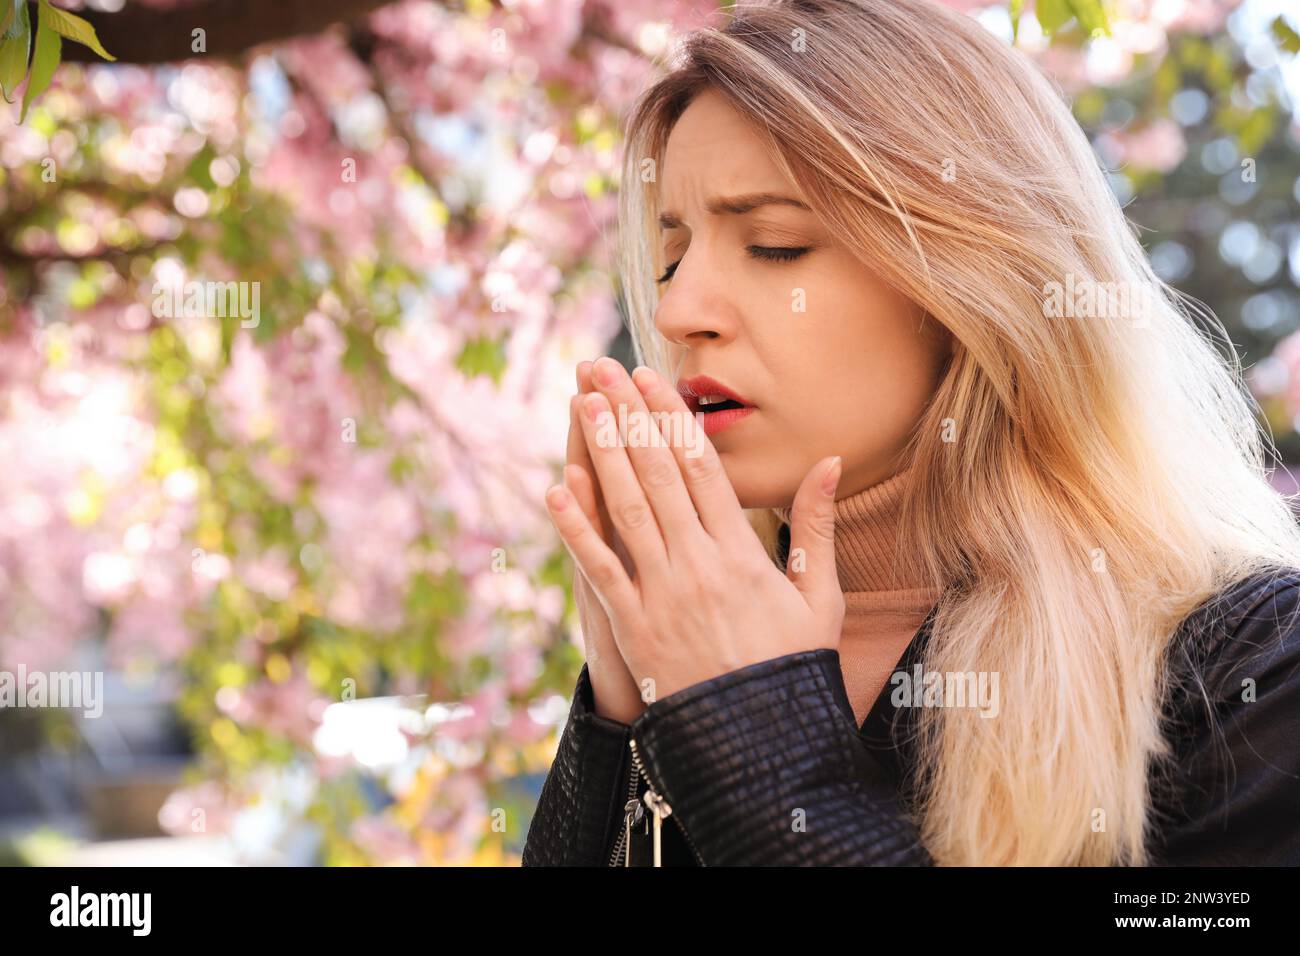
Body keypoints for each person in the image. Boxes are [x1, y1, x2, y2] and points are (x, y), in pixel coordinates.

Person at [521, 0, 1300, 866]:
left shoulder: (1246, 670)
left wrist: (761, 748)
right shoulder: (680, 644)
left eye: (774, 245)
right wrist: (615, 728)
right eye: (672, 256)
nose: (675, 309)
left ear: (968, 282)